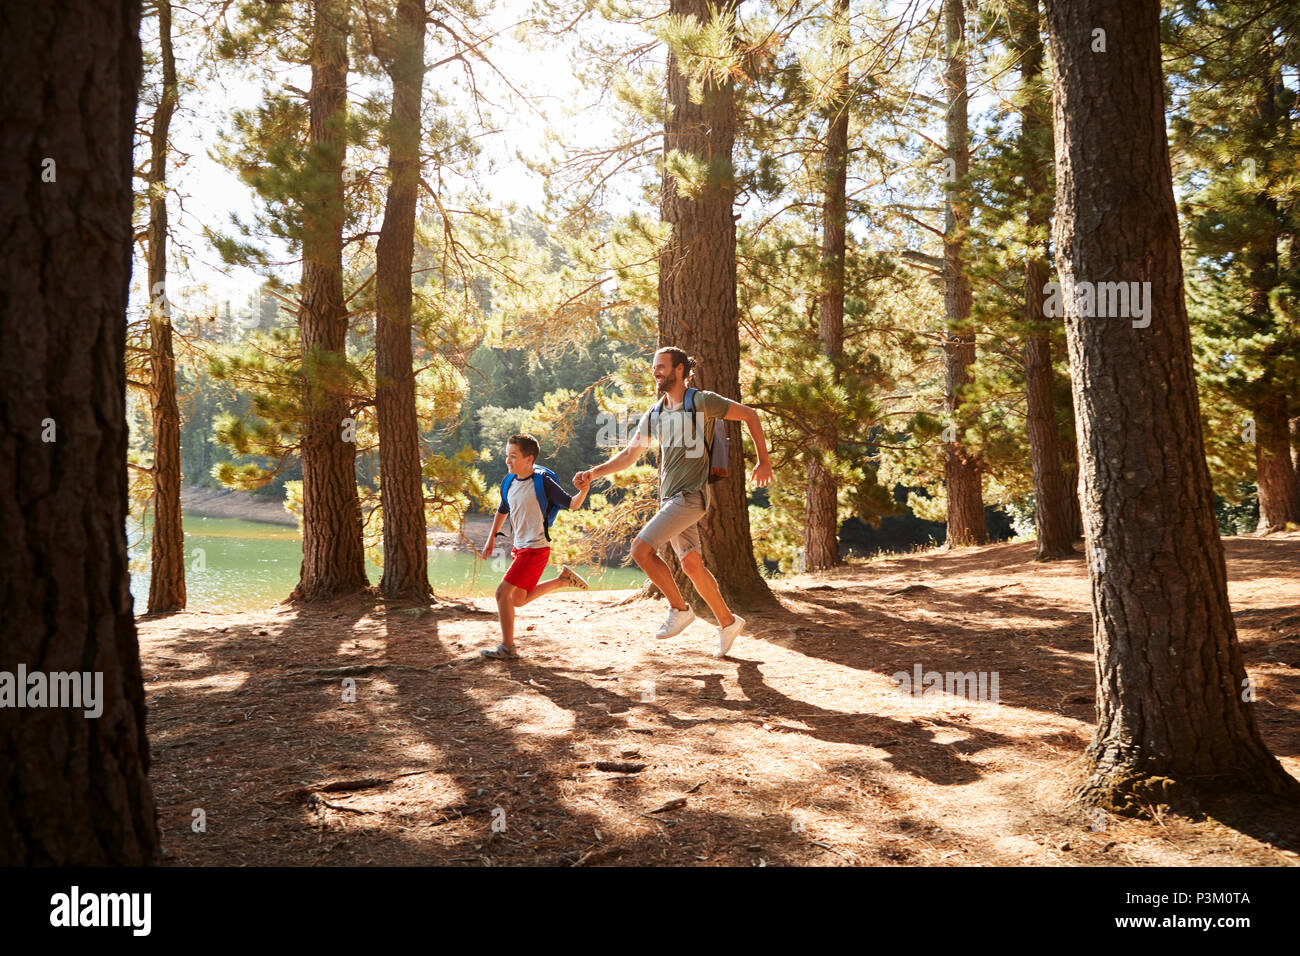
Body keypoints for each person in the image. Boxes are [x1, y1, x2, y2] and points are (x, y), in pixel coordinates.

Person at [574, 347, 772, 657]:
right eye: (654, 367)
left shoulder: (702, 401)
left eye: (662, 367)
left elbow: (749, 414)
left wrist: (764, 461)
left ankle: (679, 609)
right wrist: (593, 473)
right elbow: (629, 455)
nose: (656, 372)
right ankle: (728, 621)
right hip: (670, 499)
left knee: (640, 550)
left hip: (690, 496)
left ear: (679, 370)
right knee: (692, 564)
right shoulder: (656, 413)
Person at [480, 433, 591, 659]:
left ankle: (508, 648)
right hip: (520, 548)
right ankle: (563, 580)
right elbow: (502, 510)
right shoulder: (509, 482)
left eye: (513, 457)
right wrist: (490, 538)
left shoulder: (543, 482)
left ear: (529, 459)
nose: (508, 461)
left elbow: (572, 503)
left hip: (536, 549)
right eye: (507, 456)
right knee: (518, 600)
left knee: (502, 594)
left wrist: (584, 490)